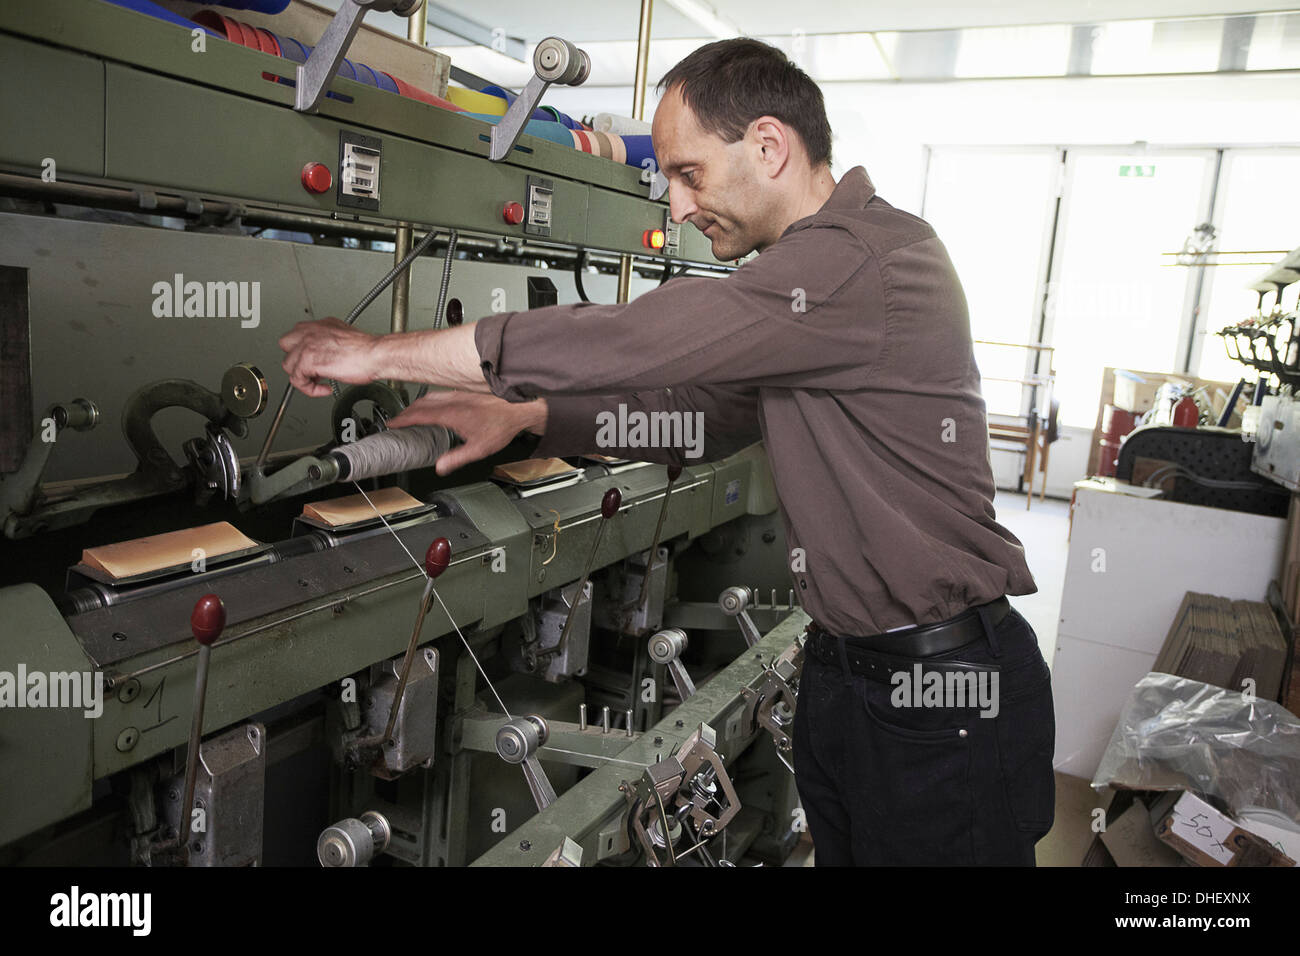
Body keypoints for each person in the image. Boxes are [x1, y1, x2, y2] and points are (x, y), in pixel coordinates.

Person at [279, 37, 1055, 866]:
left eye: (689, 174)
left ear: (768, 145)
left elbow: (640, 339)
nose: (678, 207)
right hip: (853, 672)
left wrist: (380, 355)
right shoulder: (818, 282)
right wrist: (531, 419)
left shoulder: (853, 258)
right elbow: (701, 421)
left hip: (934, 691)